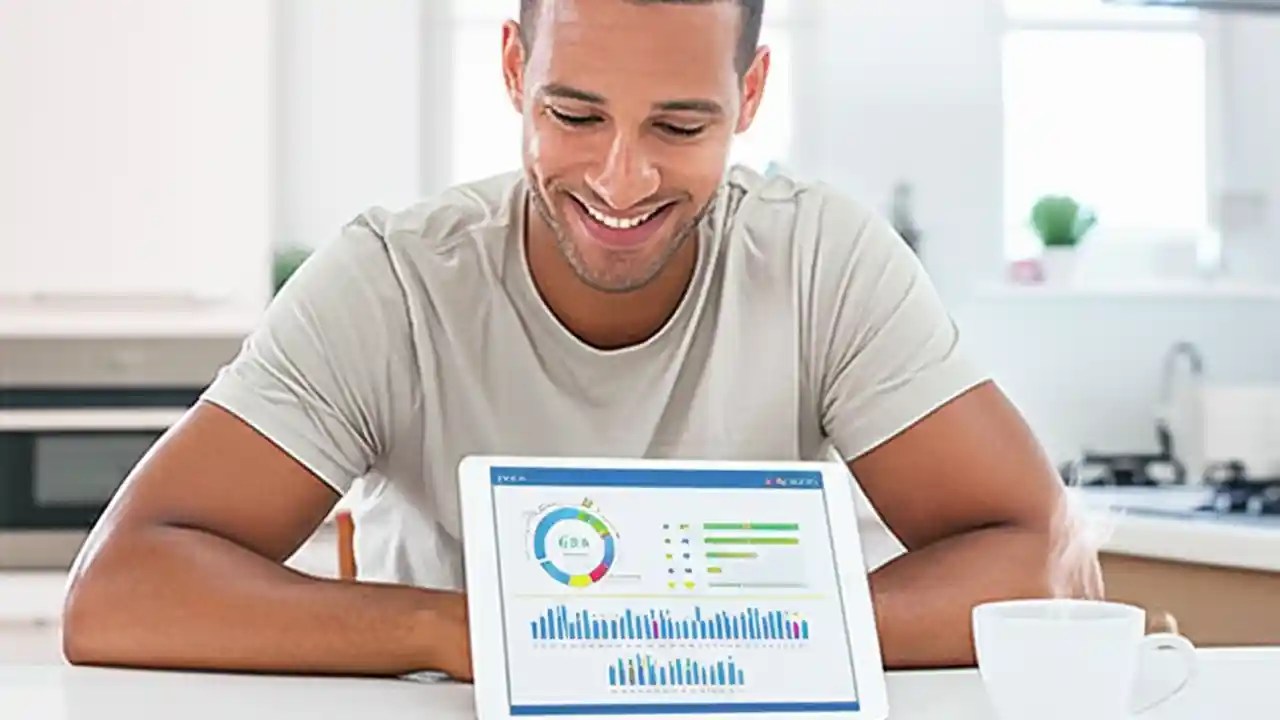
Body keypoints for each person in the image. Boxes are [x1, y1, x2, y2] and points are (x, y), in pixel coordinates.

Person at [62, 0, 1100, 681]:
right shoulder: (394, 279)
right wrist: (466, 631)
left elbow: (1043, 567)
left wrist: (714, 636)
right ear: (514, 70)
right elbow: (118, 594)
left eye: (679, 128)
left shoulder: (821, 259)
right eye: (573, 113)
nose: (619, 179)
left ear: (749, 96)